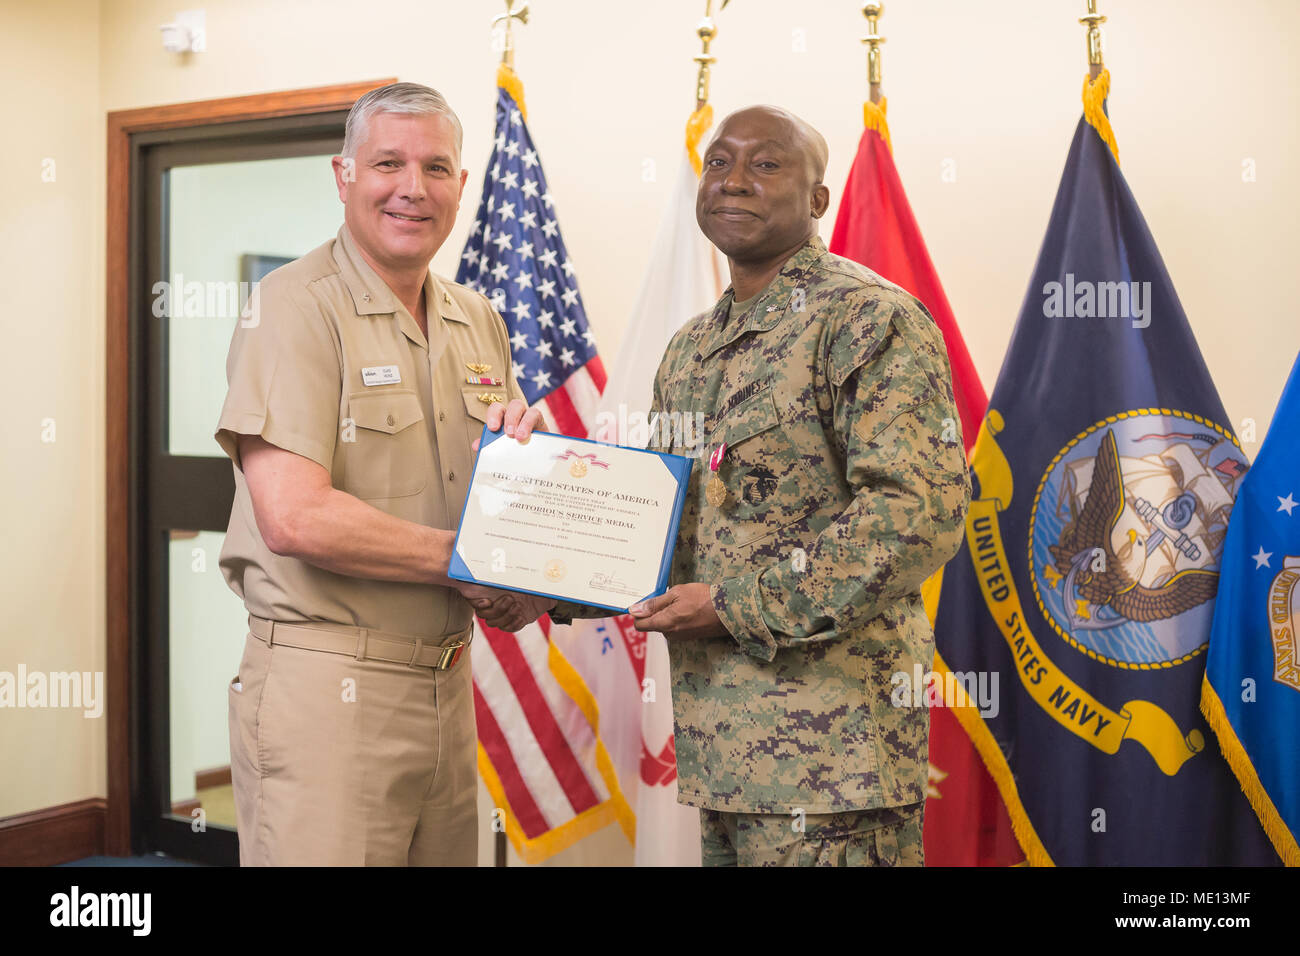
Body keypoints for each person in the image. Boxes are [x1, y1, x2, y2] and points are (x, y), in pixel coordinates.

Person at [555, 105, 971, 866]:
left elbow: (915, 515)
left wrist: (735, 606)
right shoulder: (690, 350)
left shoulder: (867, 319)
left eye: (767, 163)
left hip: (837, 765)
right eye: (719, 162)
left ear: (819, 200)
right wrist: (536, 577)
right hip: (723, 755)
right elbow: (662, 519)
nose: (734, 180)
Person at [215, 82, 552, 866]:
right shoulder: (293, 308)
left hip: (447, 683)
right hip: (327, 686)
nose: (413, 188)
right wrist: (469, 560)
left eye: (436, 167)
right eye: (387, 164)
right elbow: (294, 517)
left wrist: (537, 553)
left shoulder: (479, 320)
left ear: (461, 186)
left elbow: (510, 498)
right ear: (344, 176)